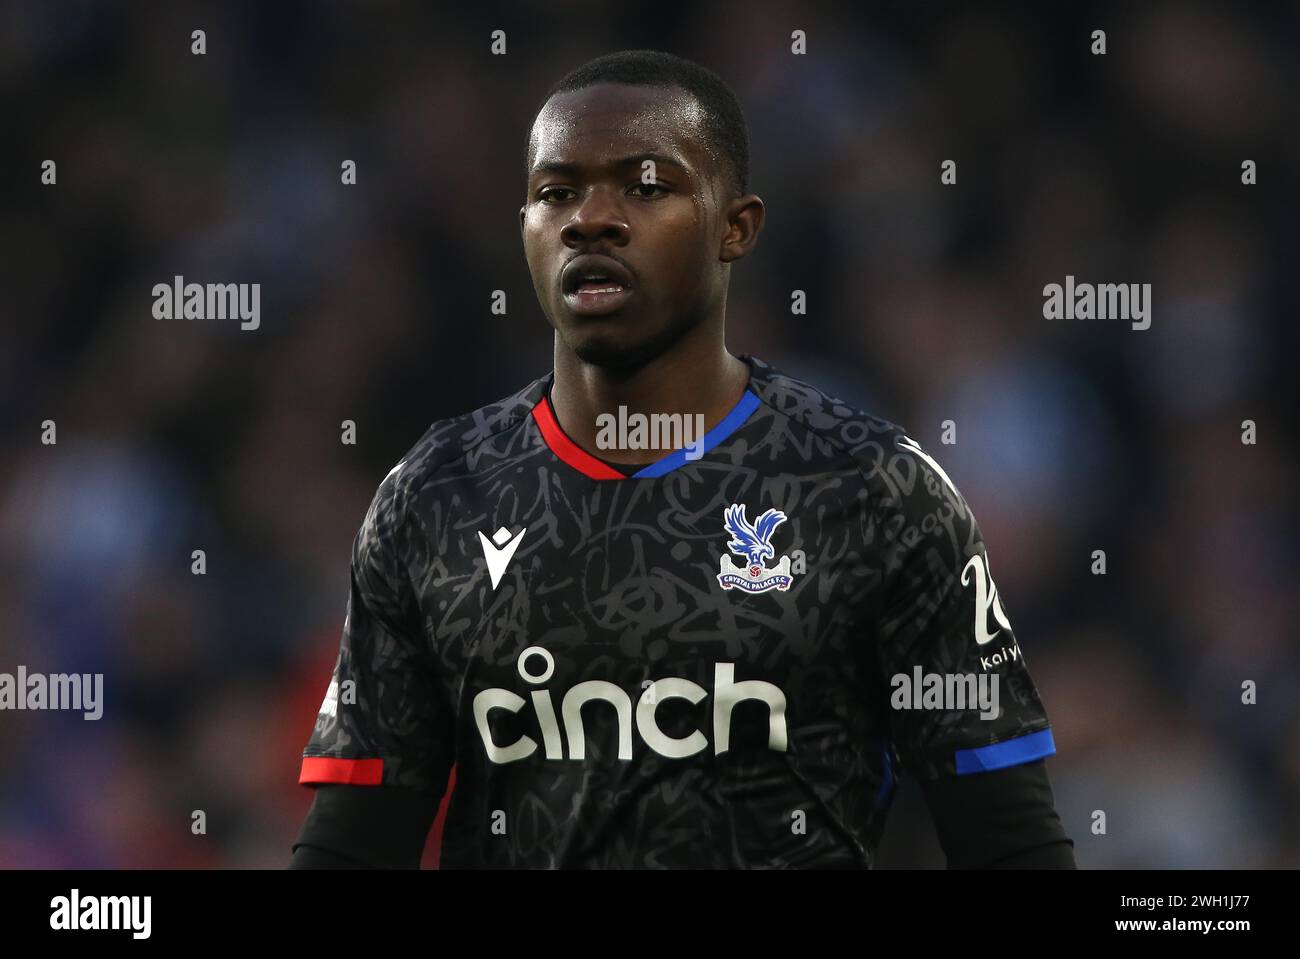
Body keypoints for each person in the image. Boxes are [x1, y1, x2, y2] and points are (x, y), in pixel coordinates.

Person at [291, 49, 1075, 869]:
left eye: (645, 186)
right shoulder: (436, 494)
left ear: (736, 226)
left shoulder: (877, 489)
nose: (591, 218)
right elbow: (352, 846)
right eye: (556, 193)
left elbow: (1010, 842)